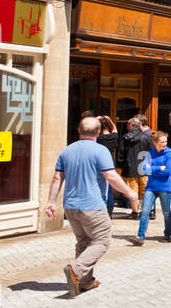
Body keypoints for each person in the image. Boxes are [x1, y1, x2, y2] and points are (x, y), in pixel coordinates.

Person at [44, 115, 138, 296]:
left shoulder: (66, 151)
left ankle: (85, 281)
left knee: (84, 242)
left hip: (70, 207)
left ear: (79, 131)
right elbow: (111, 177)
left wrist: (51, 202)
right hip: (92, 206)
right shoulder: (100, 150)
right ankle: (76, 270)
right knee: (102, 241)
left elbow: (57, 178)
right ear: (98, 133)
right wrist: (129, 193)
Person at [132, 131, 171, 244]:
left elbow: (168, 171)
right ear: (155, 142)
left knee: (166, 212)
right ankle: (140, 236)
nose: (165, 144)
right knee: (145, 211)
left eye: (166, 141)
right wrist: (159, 168)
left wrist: (153, 169)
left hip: (165, 187)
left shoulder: (169, 153)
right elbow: (144, 170)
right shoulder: (149, 154)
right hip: (151, 187)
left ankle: (167, 234)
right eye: (162, 142)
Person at [120, 116, 152, 221]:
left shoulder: (125, 138)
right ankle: (149, 211)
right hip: (144, 167)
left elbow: (121, 154)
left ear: (130, 125)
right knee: (146, 190)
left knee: (132, 191)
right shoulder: (146, 137)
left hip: (130, 167)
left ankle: (135, 212)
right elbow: (151, 152)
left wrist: (121, 165)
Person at [96, 115, 120, 215]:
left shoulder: (98, 138)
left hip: (99, 160)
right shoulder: (114, 136)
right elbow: (114, 128)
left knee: (99, 184)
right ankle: (109, 209)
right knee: (109, 186)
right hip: (110, 159)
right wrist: (109, 120)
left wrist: (96, 119)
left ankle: (101, 207)